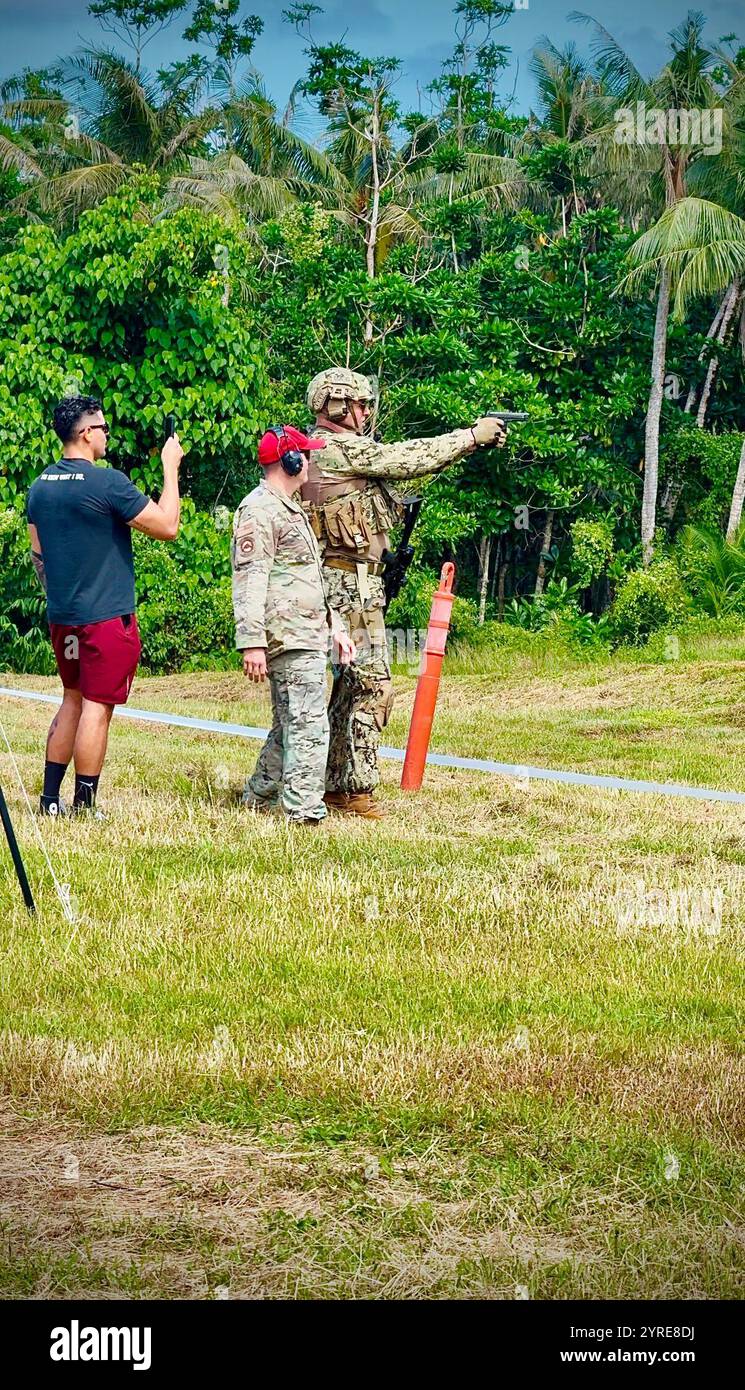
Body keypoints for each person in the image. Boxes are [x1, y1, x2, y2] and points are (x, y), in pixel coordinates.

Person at [301, 367, 507, 819]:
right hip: (349, 586)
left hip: (341, 583)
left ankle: (334, 785)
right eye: (359, 403)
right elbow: (408, 457)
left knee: (342, 691)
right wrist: (472, 436)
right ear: (335, 405)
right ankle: (355, 791)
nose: (366, 411)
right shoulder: (339, 448)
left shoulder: (315, 451)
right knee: (373, 686)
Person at [27, 395, 184, 817]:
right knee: (97, 707)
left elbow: (37, 553)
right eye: (102, 428)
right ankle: (84, 803)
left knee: (71, 699)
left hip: (65, 619)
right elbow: (167, 526)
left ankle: (49, 800)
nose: (107, 435)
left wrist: (61, 595)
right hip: (106, 619)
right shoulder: (107, 482)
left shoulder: (39, 487)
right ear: (85, 433)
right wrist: (170, 468)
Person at [232, 424, 356, 825]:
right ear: (290, 460)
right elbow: (250, 578)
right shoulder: (259, 509)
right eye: (306, 453)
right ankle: (303, 811)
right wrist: (251, 641)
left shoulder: (289, 506)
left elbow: (308, 579)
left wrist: (334, 628)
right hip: (288, 635)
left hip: (306, 632)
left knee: (290, 721)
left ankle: (261, 794)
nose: (311, 460)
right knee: (309, 725)